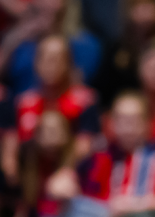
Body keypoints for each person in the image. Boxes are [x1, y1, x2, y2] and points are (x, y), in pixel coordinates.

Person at [0, 35, 100, 187]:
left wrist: (61, 178)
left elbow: (83, 149)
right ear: (36, 63)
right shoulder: (23, 103)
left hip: (69, 182)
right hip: (29, 182)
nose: (51, 65)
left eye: (57, 59)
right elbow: (10, 154)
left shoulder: (84, 102)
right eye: (45, 58)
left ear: (68, 63)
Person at [0, 0, 101, 95]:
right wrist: (15, 38)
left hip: (62, 110)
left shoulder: (84, 44)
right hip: (22, 110)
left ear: (65, 1)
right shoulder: (20, 42)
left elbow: (78, 85)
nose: (44, 2)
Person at [75, 93, 155, 215]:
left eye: (135, 121)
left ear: (148, 124)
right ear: (111, 123)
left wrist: (130, 205)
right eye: (122, 120)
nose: (128, 128)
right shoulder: (100, 156)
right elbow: (86, 194)